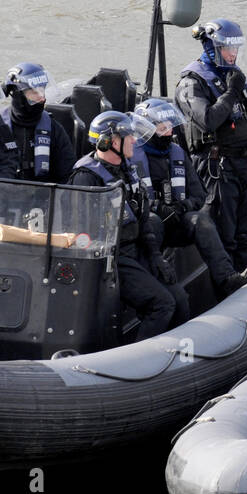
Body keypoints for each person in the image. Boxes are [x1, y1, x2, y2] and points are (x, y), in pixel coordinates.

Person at [66, 110, 189, 341]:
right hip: (111, 257)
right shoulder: (86, 177)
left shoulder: (127, 169)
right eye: (129, 136)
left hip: (136, 250)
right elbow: (82, 230)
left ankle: (174, 358)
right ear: (111, 142)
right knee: (161, 305)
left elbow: (142, 218)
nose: (134, 140)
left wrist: (155, 256)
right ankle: (140, 364)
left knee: (179, 299)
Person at [132, 97, 247, 296]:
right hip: (147, 225)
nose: (169, 133)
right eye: (162, 128)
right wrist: (156, 208)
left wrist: (183, 207)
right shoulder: (131, 157)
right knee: (153, 221)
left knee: (201, 220)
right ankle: (151, 282)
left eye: (170, 127)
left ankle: (226, 278)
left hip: (176, 219)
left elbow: (199, 194)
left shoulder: (177, 153)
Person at [174, 18, 247, 272]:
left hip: (245, 164)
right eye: (227, 48)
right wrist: (230, 93)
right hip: (218, 166)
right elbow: (208, 120)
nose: (233, 54)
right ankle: (225, 288)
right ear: (212, 47)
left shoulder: (235, 75)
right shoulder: (192, 82)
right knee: (224, 234)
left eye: (236, 48)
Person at [0, 62, 76, 183]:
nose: (42, 98)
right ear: (17, 94)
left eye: (42, 90)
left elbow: (67, 176)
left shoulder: (54, 129)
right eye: (35, 92)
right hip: (1, 196)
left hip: (42, 198)